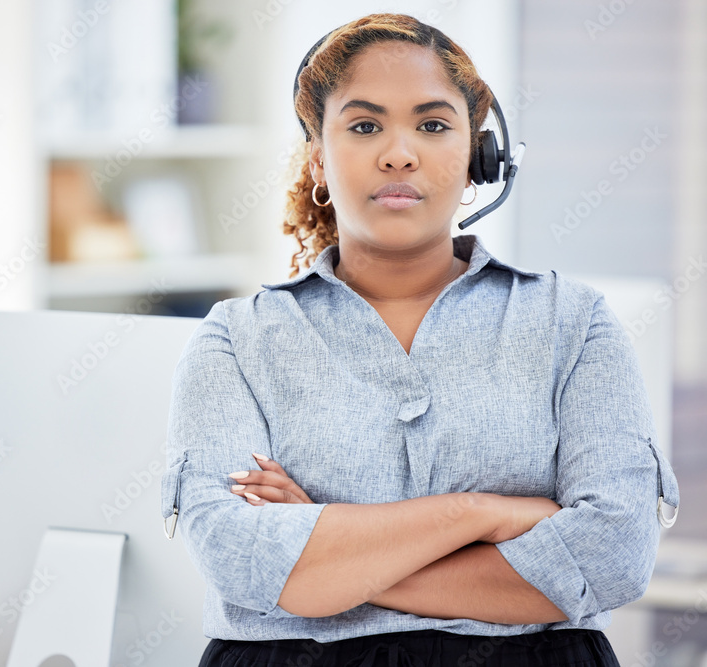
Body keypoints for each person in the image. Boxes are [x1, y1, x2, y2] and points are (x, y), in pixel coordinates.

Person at [160, 12, 680, 667]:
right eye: (365, 124)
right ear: (318, 160)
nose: (399, 152)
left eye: (433, 125)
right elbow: (241, 559)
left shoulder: (576, 323)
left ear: (476, 161)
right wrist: (485, 513)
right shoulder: (234, 339)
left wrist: (329, 556)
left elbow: (614, 551)